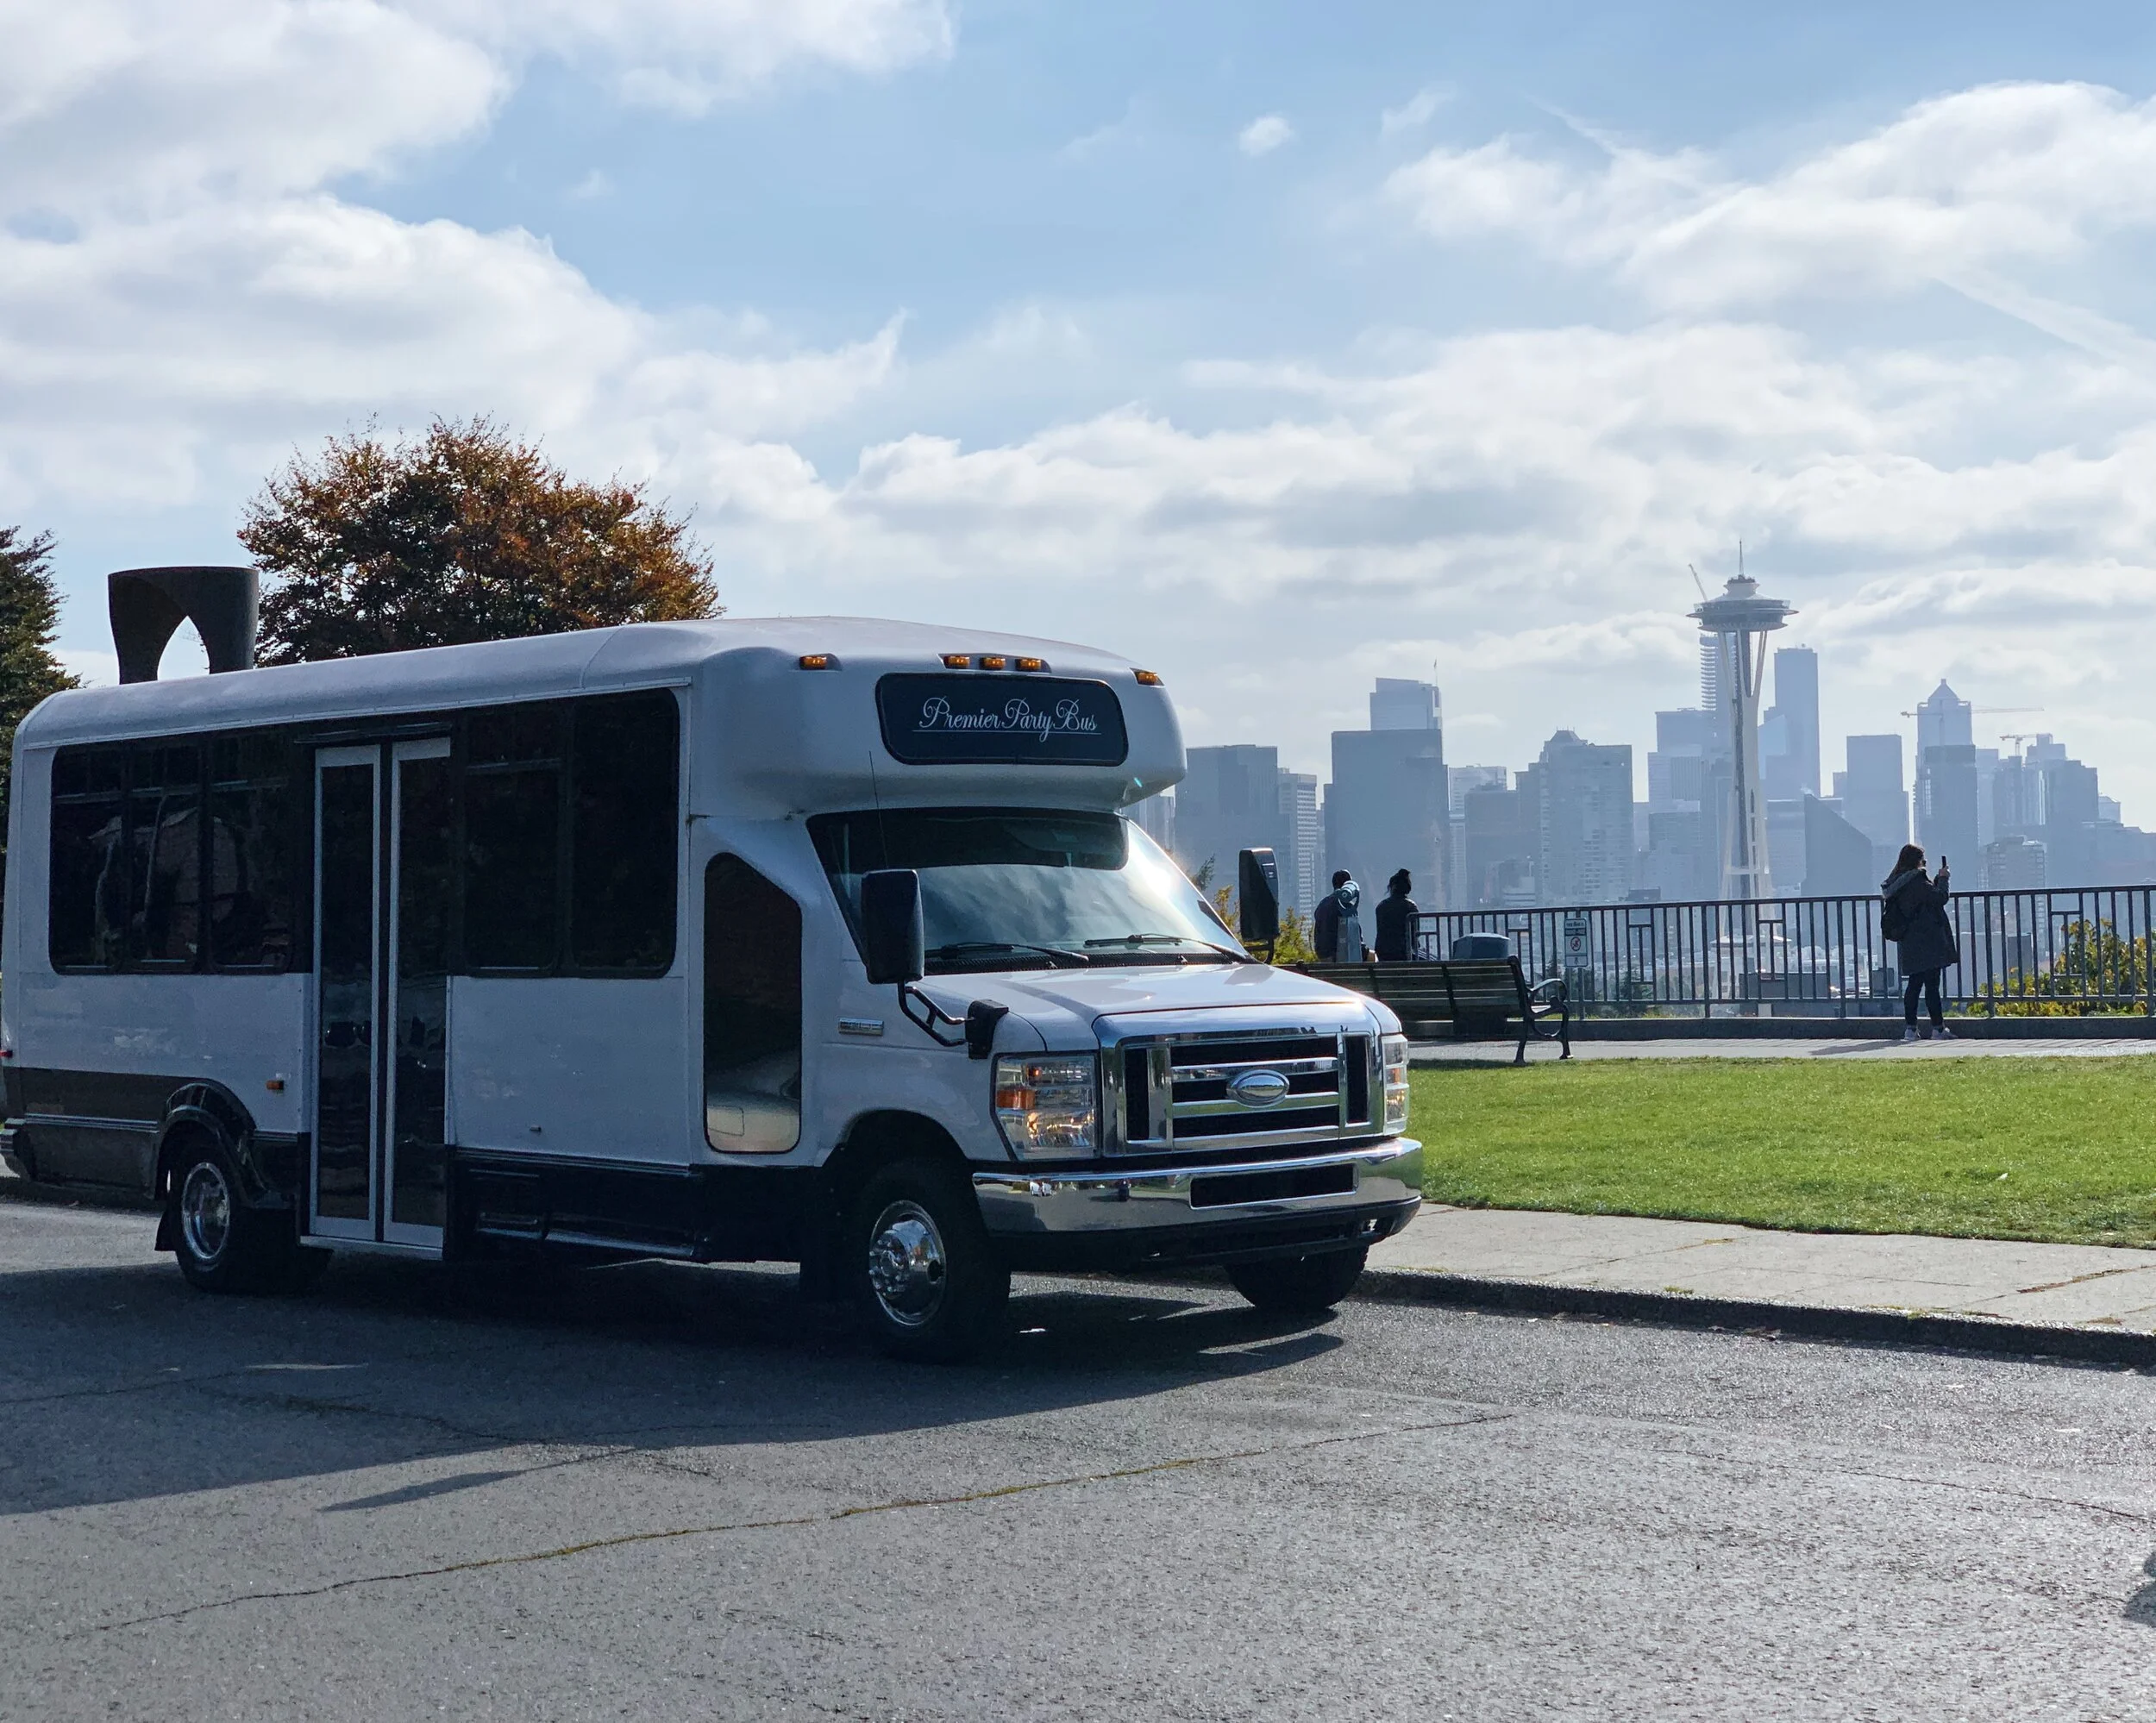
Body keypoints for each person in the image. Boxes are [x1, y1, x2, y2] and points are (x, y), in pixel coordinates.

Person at [1882, 843, 1958, 1042]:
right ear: (1916, 861)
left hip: (1910, 940)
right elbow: (1940, 898)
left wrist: (1935, 881)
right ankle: (1938, 1029)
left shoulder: (1898, 883)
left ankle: (1910, 1029)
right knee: (1932, 986)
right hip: (1928, 939)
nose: (1924, 864)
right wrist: (1944, 879)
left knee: (1914, 985)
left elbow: (1924, 898)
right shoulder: (1916, 881)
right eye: (1923, 860)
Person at [1313, 870, 1366, 962]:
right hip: (1338, 953)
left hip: (1323, 954)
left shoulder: (1323, 904)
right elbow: (1356, 939)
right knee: (1374, 957)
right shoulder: (1346, 905)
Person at [1373, 868, 1418, 962]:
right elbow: (1415, 933)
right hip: (1404, 952)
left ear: (1392, 887)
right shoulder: (1411, 907)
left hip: (1383, 953)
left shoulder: (1381, 906)